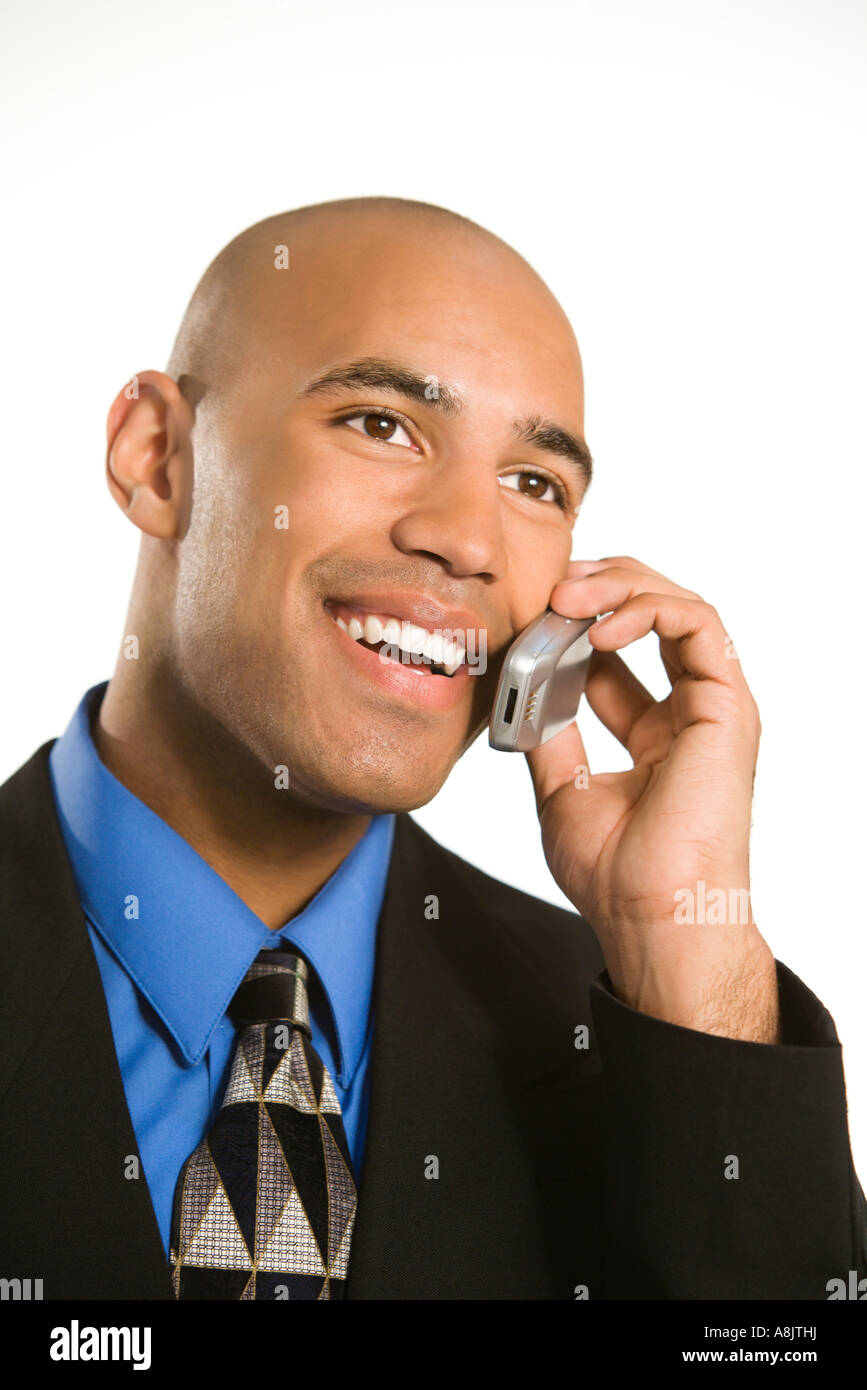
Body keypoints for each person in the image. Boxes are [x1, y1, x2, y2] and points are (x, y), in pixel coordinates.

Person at [1, 196, 864, 1300]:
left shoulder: (642, 1045)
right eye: (381, 423)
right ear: (158, 457)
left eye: (533, 484)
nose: (467, 539)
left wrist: (690, 963)